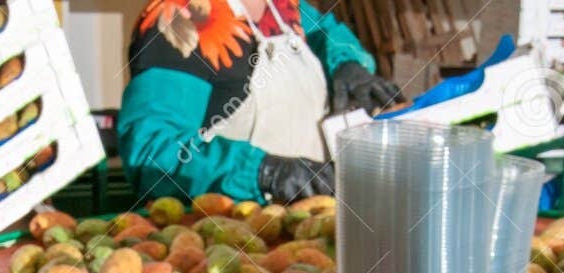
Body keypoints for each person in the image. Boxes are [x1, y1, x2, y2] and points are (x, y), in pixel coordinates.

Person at [118, 0, 399, 205]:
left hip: (307, 237)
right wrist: (265, 173)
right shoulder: (179, 21)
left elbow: (326, 33)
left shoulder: (282, 8)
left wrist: (347, 64)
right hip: (231, 250)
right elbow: (152, 151)